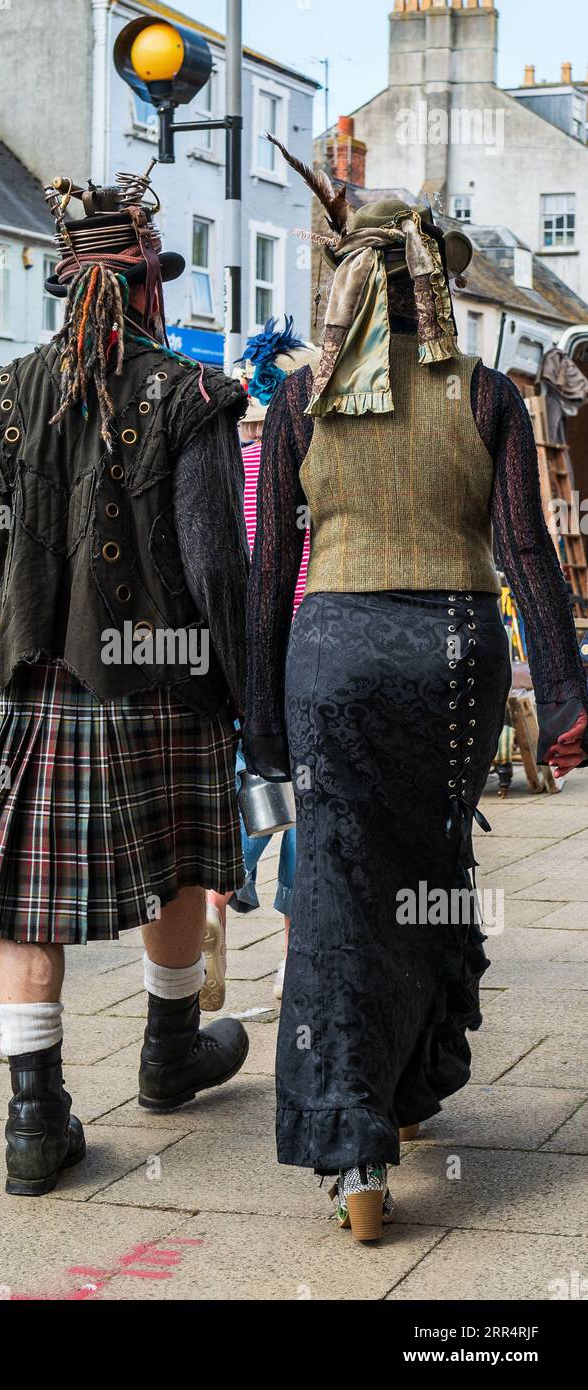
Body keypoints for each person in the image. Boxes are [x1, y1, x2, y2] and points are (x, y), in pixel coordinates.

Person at [246, 151, 588, 1242]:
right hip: (451, 655)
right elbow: (526, 554)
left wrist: (257, 717)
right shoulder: (486, 394)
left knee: (339, 892)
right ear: (433, 279)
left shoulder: (299, 400)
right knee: (426, 872)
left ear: (344, 281)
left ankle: (350, 1149)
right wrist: (572, 699)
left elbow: (265, 570)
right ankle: (401, 1084)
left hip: (332, 652)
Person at [0, 169, 252, 1197]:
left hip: (29, 679)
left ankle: (32, 1117)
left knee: (26, 901)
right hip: (162, 679)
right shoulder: (188, 393)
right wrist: (242, 693)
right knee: (177, 858)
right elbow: (216, 565)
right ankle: (168, 1050)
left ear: (65, 282)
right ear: (147, 284)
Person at [204, 317, 314, 1009]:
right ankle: (289, 959)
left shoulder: (222, 470)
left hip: (242, 649)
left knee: (249, 776)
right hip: (308, 637)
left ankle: (214, 905)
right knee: (308, 797)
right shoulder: (306, 462)